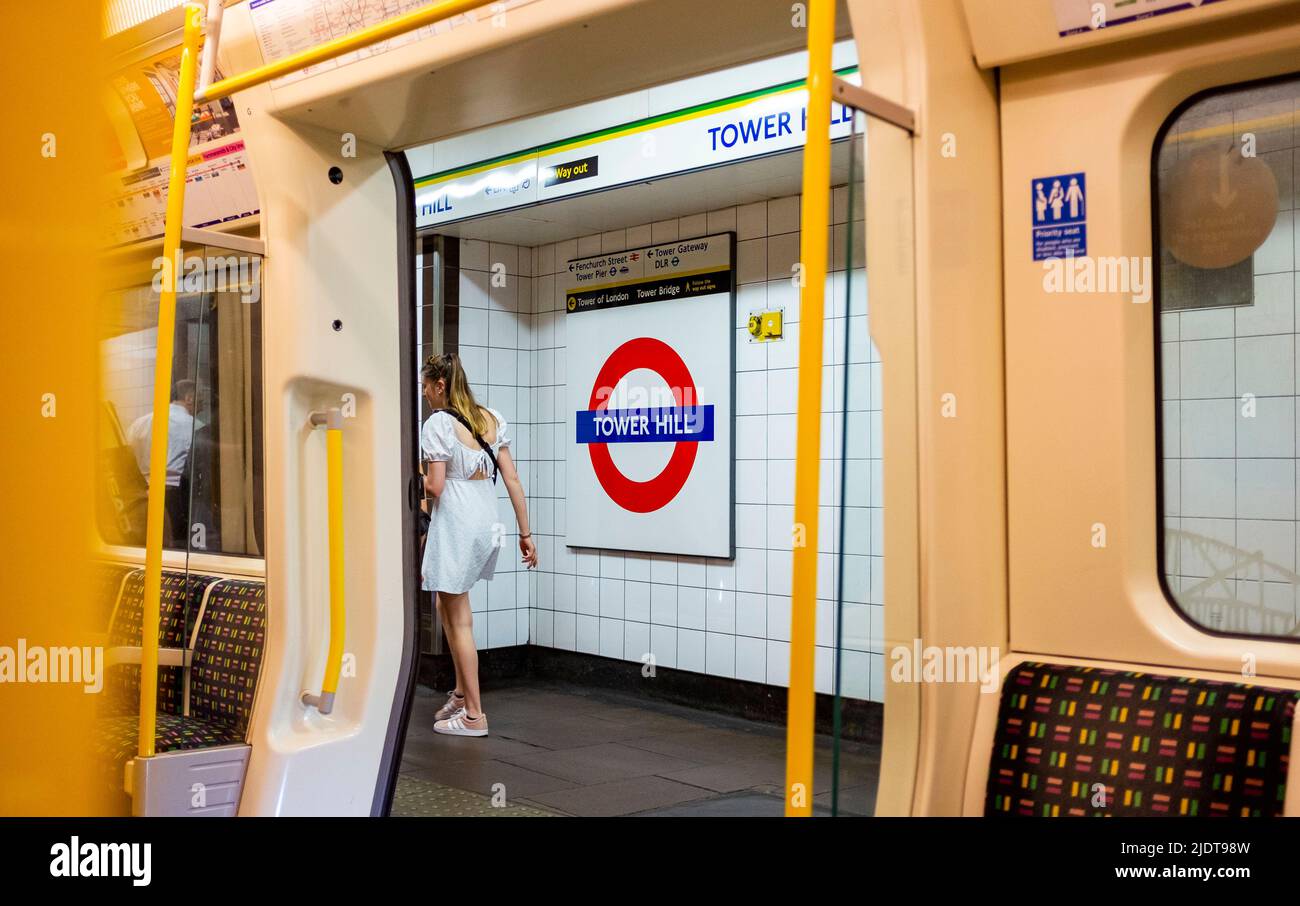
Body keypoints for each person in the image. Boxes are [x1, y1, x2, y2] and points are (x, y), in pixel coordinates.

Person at [420, 353, 537, 737]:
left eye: (426, 386)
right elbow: (513, 479)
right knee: (447, 602)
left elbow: (435, 486)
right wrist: (525, 534)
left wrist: (409, 482)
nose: (424, 394)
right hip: (487, 523)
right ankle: (459, 692)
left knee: (458, 617)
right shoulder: (491, 418)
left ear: (440, 386)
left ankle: (473, 715)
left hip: (457, 523)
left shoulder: (438, 422)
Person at [125, 379, 197, 547]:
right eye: (202, 396)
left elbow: (128, 458)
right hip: (174, 498)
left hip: (142, 498)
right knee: (174, 547)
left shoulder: (139, 423)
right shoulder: (194, 425)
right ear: (189, 398)